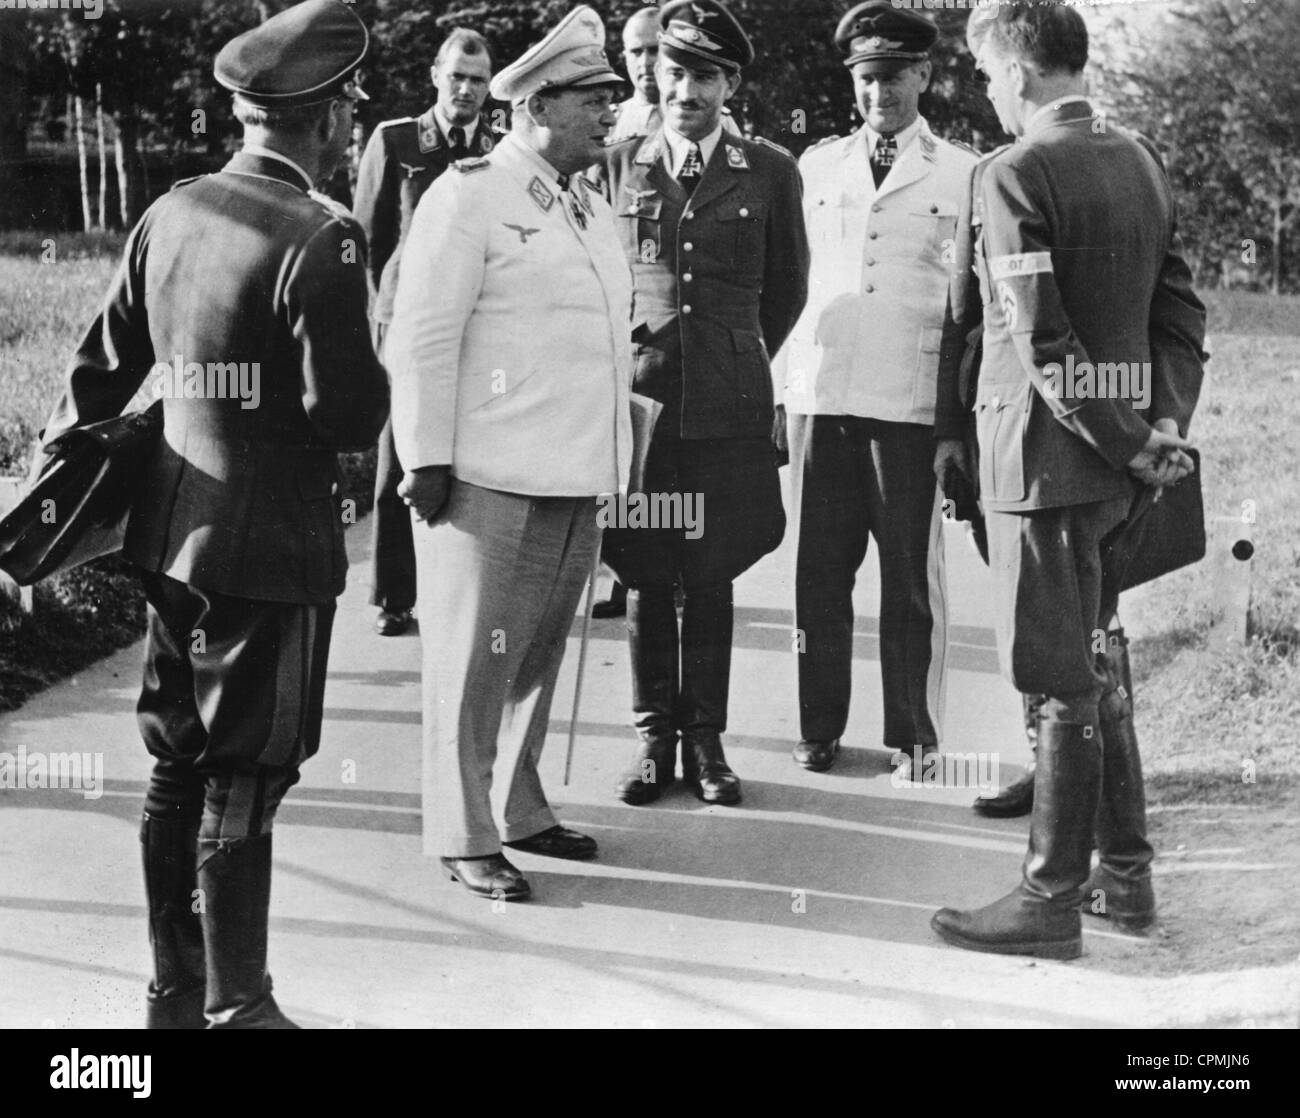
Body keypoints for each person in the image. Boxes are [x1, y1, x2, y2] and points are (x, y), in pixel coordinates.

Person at [38, 0, 388, 1027]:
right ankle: (242, 1005)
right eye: (350, 107)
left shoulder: (173, 209)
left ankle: (174, 994)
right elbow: (347, 414)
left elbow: (98, 377)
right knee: (249, 767)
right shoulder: (326, 238)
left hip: (168, 538)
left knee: (177, 759)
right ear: (323, 118)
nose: (352, 124)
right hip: (270, 548)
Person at [930, 4, 1205, 959]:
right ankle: (1125, 881)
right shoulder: (1141, 160)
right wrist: (1159, 426)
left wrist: (1128, 440)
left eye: (990, 76)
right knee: (1101, 666)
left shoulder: (1012, 171)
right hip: (1118, 475)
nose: (990, 94)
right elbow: (1181, 315)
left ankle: (1049, 899)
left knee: (1059, 683)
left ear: (1018, 69)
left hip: (1045, 470)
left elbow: (1040, 338)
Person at [385, 5, 632, 902]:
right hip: (486, 473)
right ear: (534, 104)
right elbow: (421, 336)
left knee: (535, 657)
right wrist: (425, 457)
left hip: (572, 472)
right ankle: (461, 831)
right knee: (472, 660)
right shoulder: (469, 194)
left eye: (612, 96)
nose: (611, 112)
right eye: (593, 98)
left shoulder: (586, 203)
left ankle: (518, 807)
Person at [598, 0, 809, 808]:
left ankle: (708, 742)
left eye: (706, 76)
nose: (686, 90)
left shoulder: (771, 171)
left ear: (730, 83)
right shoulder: (614, 165)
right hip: (646, 405)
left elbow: (785, 290)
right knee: (649, 572)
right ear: (653, 71)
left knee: (713, 568)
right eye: (675, 72)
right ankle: (654, 739)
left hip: (726, 408)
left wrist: (733, 352)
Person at [773, 1, 976, 779]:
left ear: (923, 75)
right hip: (823, 395)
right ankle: (819, 724)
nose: (878, 94)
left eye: (893, 78)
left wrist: (957, 413)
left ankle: (914, 733)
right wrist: (776, 392)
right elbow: (790, 285)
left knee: (907, 577)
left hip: (910, 402)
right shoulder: (814, 168)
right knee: (819, 572)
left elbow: (969, 304)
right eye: (865, 79)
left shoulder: (961, 173)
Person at [354, 28, 495, 637]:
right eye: (457, 76)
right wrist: (378, 322)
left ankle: (459, 586)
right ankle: (394, 594)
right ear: (436, 76)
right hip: (405, 325)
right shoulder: (396, 140)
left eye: (479, 80)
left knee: (468, 453)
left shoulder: (498, 147)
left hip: (474, 321)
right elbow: (365, 243)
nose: (466, 89)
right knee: (402, 455)